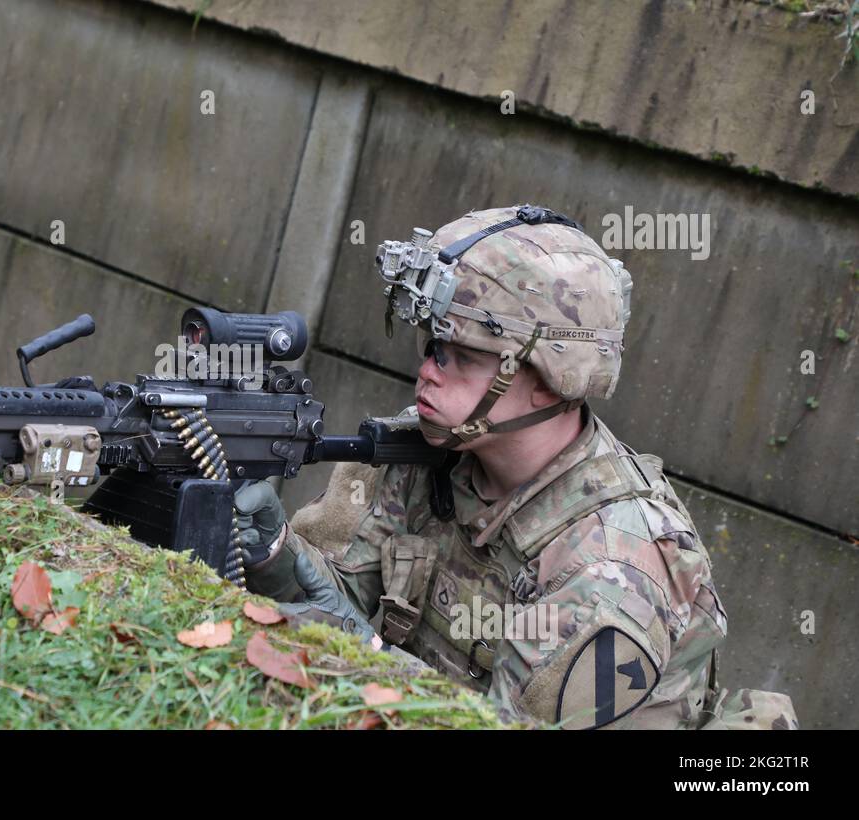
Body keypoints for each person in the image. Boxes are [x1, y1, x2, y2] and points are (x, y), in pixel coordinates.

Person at [234, 205, 797, 729]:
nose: (428, 372)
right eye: (432, 347)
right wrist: (273, 551)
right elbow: (338, 603)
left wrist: (367, 653)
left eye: (462, 357)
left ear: (546, 381)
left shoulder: (608, 571)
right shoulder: (428, 450)